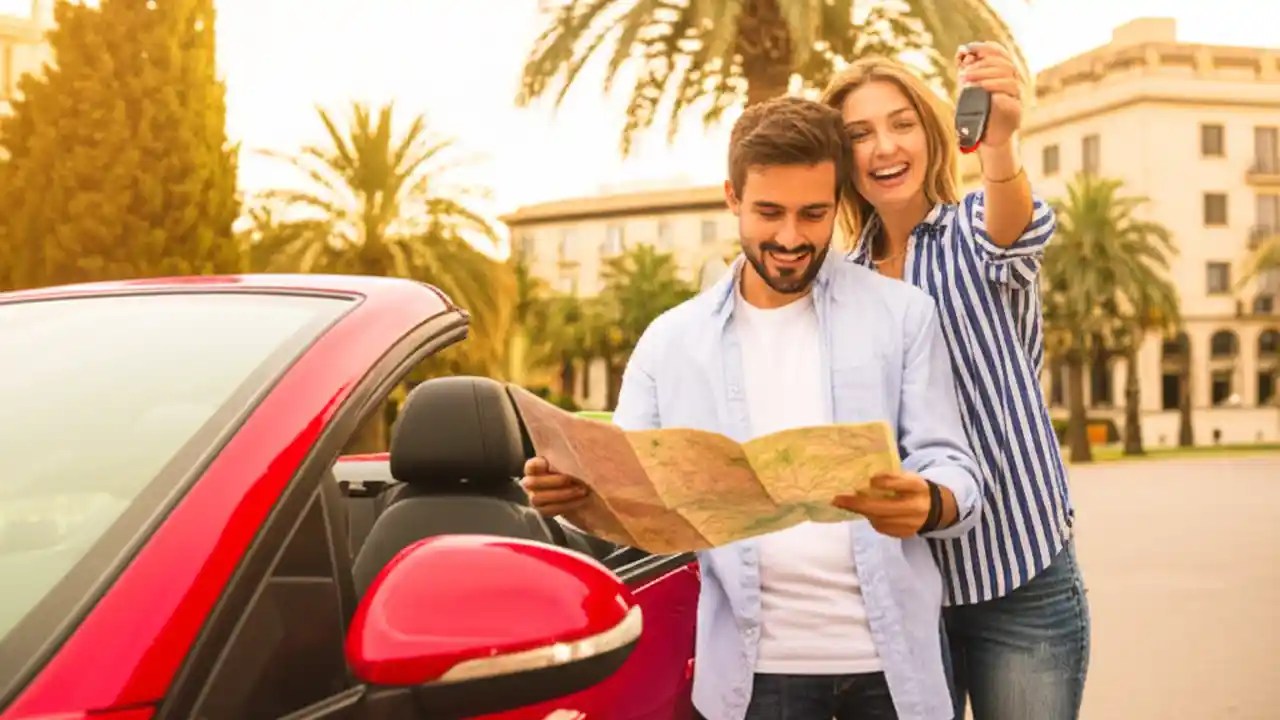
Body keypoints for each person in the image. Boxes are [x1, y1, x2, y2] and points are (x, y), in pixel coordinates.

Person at [522, 95, 984, 720]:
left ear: (836, 204)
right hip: (753, 682)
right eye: (769, 212)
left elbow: (951, 463)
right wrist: (574, 498)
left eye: (813, 214)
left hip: (893, 675)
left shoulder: (901, 315)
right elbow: (634, 501)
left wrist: (930, 500)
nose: (791, 238)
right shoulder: (670, 341)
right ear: (732, 198)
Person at [818, 45, 1090, 719]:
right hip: (906, 597)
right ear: (840, 157)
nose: (885, 146)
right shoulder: (840, 284)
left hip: (1021, 577)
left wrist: (1000, 144)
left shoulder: (972, 229)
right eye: (859, 134)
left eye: (902, 122)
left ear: (932, 132)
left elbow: (1013, 227)